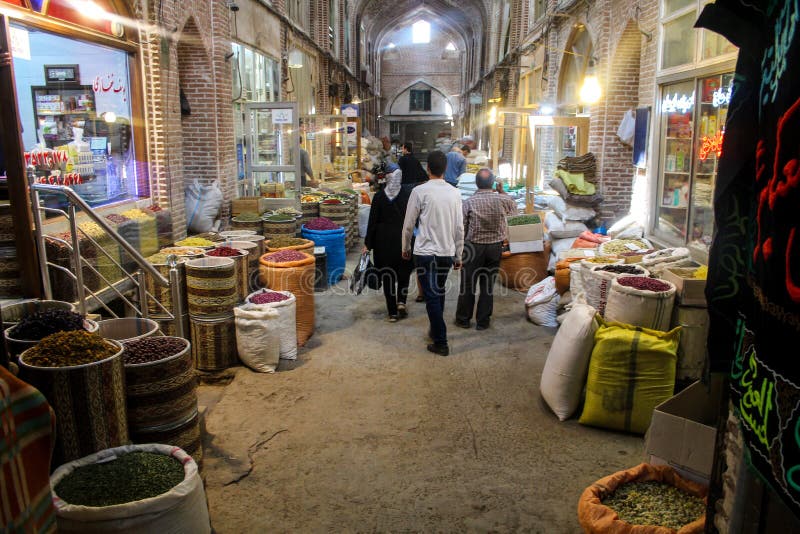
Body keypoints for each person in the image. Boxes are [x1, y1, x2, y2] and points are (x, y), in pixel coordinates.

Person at [402, 150, 464, 356]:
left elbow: (409, 224)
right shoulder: (455, 193)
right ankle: (435, 329)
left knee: (431, 296)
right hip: (446, 252)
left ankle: (441, 341)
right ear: (445, 169)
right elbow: (459, 227)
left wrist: (405, 247)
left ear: (428, 168)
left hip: (425, 253)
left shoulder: (420, 192)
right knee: (438, 291)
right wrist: (458, 254)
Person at [455, 168, 517, 330]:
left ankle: (463, 319)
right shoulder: (502, 200)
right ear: (493, 183)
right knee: (487, 286)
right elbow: (514, 210)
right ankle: (483, 321)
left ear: (476, 183)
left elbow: (462, 227)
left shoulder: (468, 202)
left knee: (468, 285)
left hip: (473, 248)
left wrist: (459, 251)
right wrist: (502, 192)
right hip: (494, 248)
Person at [364, 163, 414, 322]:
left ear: (386, 177)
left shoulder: (379, 197)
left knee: (387, 276)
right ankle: (401, 301)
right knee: (404, 272)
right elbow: (413, 219)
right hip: (403, 239)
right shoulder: (407, 195)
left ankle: (392, 312)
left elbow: (372, 222)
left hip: (383, 242)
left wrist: (368, 244)